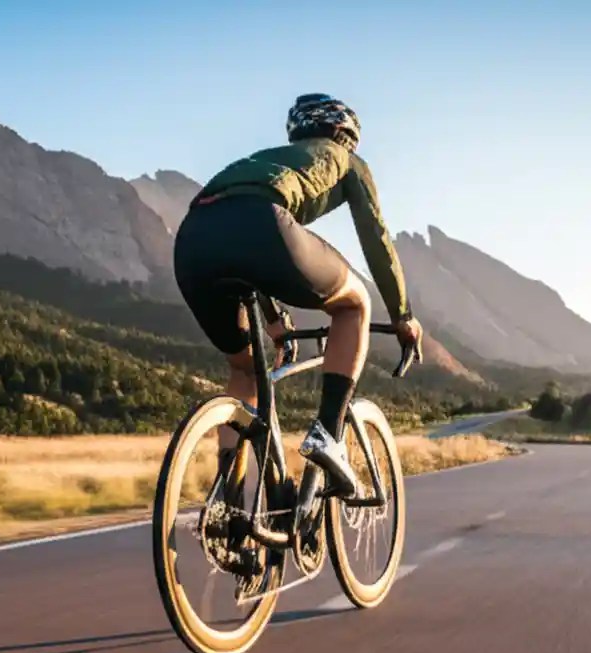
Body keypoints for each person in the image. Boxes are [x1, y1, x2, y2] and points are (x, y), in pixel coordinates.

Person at [174, 93, 423, 498]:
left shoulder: (264, 160)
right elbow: (375, 238)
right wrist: (402, 315)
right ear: (344, 134)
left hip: (192, 241)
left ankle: (230, 498)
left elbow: (245, 241)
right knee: (356, 301)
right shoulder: (346, 160)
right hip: (261, 225)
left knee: (246, 369)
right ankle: (328, 435)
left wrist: (274, 319)